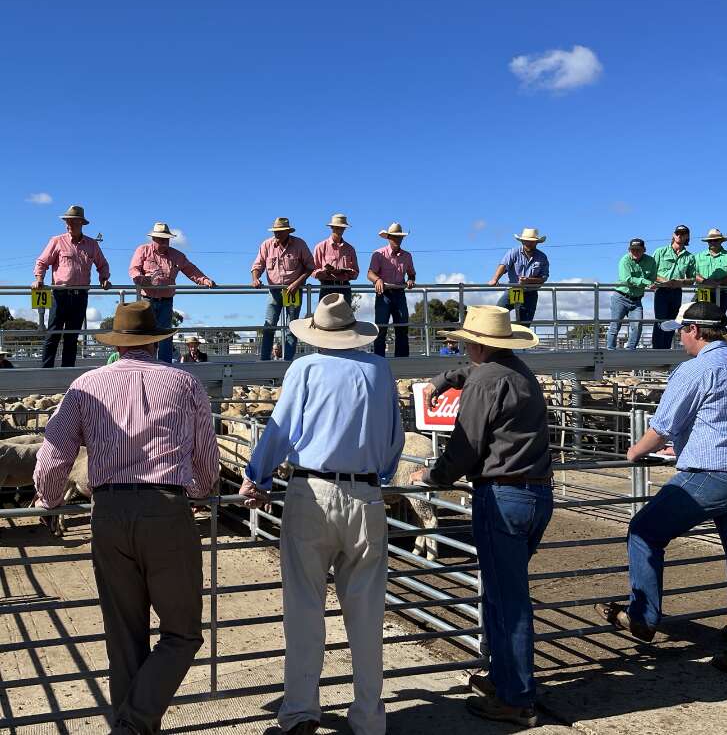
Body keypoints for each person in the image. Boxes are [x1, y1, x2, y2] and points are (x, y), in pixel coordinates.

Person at [33, 301, 220, 733]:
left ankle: (129, 725)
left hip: (109, 513)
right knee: (182, 632)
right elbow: (207, 459)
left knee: (124, 636)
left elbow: (53, 455)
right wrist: (195, 492)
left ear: (115, 343)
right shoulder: (185, 383)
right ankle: (134, 725)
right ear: (155, 341)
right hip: (167, 510)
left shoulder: (85, 385)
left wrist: (49, 500)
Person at [240, 294, 404, 735]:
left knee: (304, 608)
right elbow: (394, 439)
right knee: (367, 614)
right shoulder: (380, 370)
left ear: (317, 333)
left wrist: (257, 475)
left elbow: (280, 429)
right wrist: (377, 474)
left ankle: (300, 713)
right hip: (366, 495)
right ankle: (369, 718)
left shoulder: (305, 369)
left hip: (311, 492)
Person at [408, 305, 552, 728]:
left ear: (477, 344)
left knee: (507, 600)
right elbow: (472, 374)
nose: (463, 348)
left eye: (465, 342)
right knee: (504, 593)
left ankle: (516, 698)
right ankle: (505, 678)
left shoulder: (486, 380)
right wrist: (443, 379)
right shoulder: (519, 372)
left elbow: (465, 446)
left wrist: (431, 476)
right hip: (536, 492)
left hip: (503, 495)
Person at [595, 301, 727, 684]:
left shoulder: (696, 369)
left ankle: (643, 616)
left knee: (644, 531)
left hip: (710, 474)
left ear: (694, 330)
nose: (679, 338)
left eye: (681, 331)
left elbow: (662, 425)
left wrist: (634, 451)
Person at [34, 205, 111, 368]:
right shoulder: (57, 241)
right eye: (67, 221)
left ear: (81, 223)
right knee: (53, 334)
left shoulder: (92, 244)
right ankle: (45, 372)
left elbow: (103, 264)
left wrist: (104, 279)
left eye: (72, 221)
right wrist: (39, 279)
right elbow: (42, 262)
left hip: (80, 296)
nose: (68, 224)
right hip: (60, 294)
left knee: (72, 337)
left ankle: (67, 372)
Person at [129, 222, 216, 364]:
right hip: (146, 300)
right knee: (147, 334)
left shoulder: (177, 255)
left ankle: (164, 366)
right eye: (161, 239)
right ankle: (146, 364)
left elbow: (191, 270)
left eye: (166, 239)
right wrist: (140, 278)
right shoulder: (143, 250)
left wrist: (204, 280)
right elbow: (134, 269)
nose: (164, 243)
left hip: (166, 301)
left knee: (165, 335)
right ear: (153, 239)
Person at [251, 217, 314, 361]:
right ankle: (265, 360)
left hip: (294, 290)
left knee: (292, 327)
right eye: (275, 231)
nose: (277, 233)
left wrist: (297, 283)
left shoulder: (299, 244)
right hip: (274, 291)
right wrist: (255, 278)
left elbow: (310, 267)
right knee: (269, 325)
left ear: (287, 231)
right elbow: (257, 265)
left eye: (280, 231)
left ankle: (288, 360)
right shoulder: (267, 245)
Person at [367, 222, 416, 357]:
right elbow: (370, 273)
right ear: (388, 237)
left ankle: (402, 362)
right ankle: (379, 360)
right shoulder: (378, 254)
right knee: (381, 329)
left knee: (402, 328)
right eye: (394, 236)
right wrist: (378, 280)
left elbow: (412, 273)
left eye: (399, 237)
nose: (397, 239)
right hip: (383, 294)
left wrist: (411, 280)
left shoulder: (407, 256)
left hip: (399, 293)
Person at [488, 227, 549, 327]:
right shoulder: (513, 252)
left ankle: (521, 336)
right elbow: (503, 265)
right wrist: (495, 279)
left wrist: (529, 281)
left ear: (536, 243)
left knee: (525, 323)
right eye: (526, 241)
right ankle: (498, 334)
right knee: (499, 312)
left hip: (530, 293)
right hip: (515, 290)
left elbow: (543, 278)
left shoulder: (542, 257)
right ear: (522, 241)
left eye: (531, 241)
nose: (528, 243)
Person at [606, 238, 657, 350]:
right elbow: (627, 279)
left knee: (637, 326)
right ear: (629, 250)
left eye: (638, 250)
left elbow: (652, 278)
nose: (635, 252)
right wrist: (644, 282)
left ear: (644, 250)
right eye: (632, 250)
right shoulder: (625, 260)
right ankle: (610, 351)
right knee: (615, 326)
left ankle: (630, 350)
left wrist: (646, 282)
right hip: (620, 297)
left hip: (636, 300)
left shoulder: (651, 261)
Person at [651, 225, 695, 349]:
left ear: (687, 236)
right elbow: (651, 272)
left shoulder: (690, 257)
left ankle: (666, 349)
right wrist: (666, 281)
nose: (680, 235)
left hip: (676, 292)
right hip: (661, 290)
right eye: (677, 233)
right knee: (660, 320)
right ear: (673, 235)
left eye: (683, 233)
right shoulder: (660, 252)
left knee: (672, 321)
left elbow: (692, 279)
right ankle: (657, 350)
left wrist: (680, 282)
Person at [312, 213, 359, 304]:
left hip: (344, 287)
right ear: (332, 228)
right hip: (327, 287)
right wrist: (325, 272)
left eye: (342, 228)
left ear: (345, 229)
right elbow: (313, 271)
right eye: (337, 228)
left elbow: (356, 272)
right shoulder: (320, 247)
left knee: (345, 313)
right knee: (325, 313)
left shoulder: (350, 249)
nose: (339, 230)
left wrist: (347, 272)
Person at [694, 228, 727, 314]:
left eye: (715, 240)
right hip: (703, 291)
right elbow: (692, 273)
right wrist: (705, 281)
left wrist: (719, 282)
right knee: (702, 316)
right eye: (710, 240)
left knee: (719, 316)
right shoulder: (698, 256)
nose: (712, 242)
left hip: (723, 292)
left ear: (721, 241)